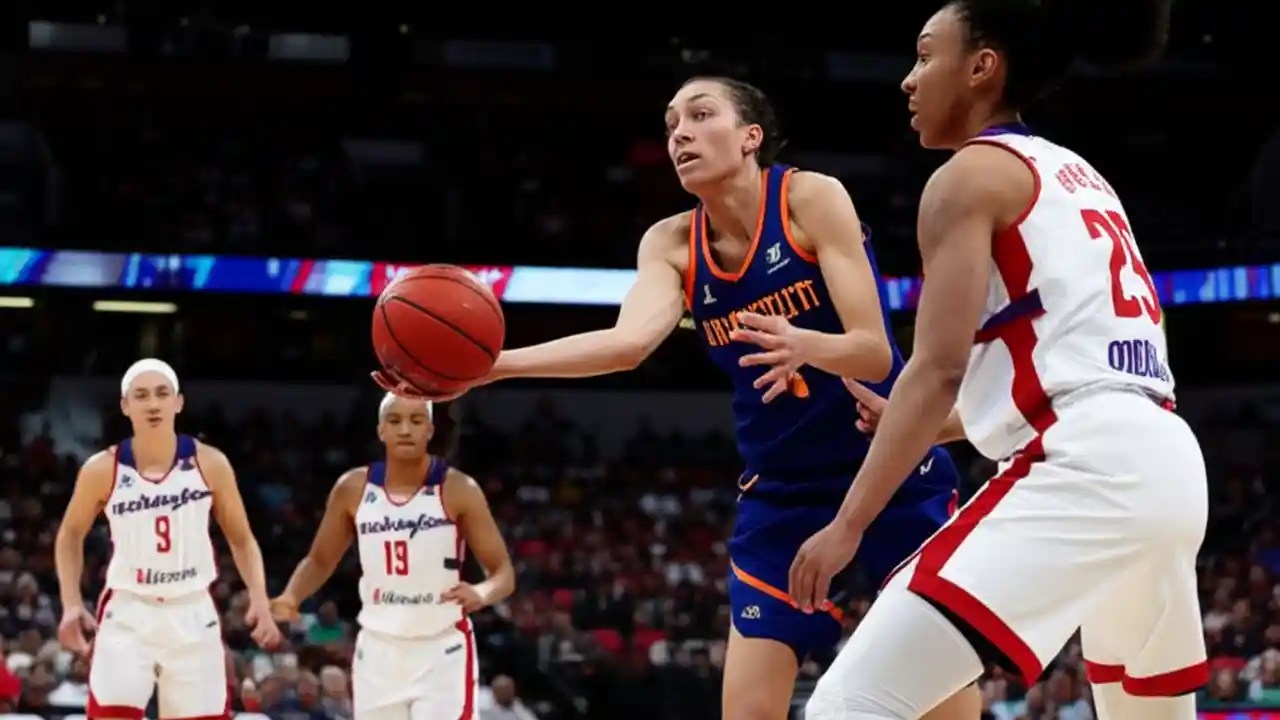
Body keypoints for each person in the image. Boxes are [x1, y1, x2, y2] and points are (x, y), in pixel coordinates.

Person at [377, 76, 976, 719]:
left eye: (699, 115)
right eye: (670, 125)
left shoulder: (810, 197)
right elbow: (628, 343)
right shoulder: (670, 244)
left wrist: (806, 344)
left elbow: (873, 350)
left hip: (888, 468)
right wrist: (489, 368)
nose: (679, 133)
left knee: (939, 706)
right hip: (783, 491)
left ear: (751, 138)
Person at [792, 2, 1208, 718]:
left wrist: (848, 524)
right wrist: (941, 426)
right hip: (1167, 463)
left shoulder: (966, 178)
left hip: (1085, 466)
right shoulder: (1078, 173)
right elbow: (1070, 358)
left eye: (926, 56)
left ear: (982, 67)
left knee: (850, 703)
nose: (907, 80)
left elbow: (936, 367)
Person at [54, 358, 281, 720]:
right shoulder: (102, 469)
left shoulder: (211, 463)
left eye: (162, 394)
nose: (153, 403)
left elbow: (242, 539)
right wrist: (69, 604)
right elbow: (69, 536)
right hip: (129, 611)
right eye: (141, 395)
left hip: (192, 610)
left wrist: (259, 599)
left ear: (178, 402)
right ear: (126, 405)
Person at [270, 393, 515, 720]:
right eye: (395, 420)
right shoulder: (353, 488)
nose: (405, 429)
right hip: (378, 652)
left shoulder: (458, 488)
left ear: (429, 430)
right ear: (380, 430)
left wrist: (482, 593)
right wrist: (291, 596)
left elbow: (503, 572)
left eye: (416, 421)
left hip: (441, 650)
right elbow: (320, 560)